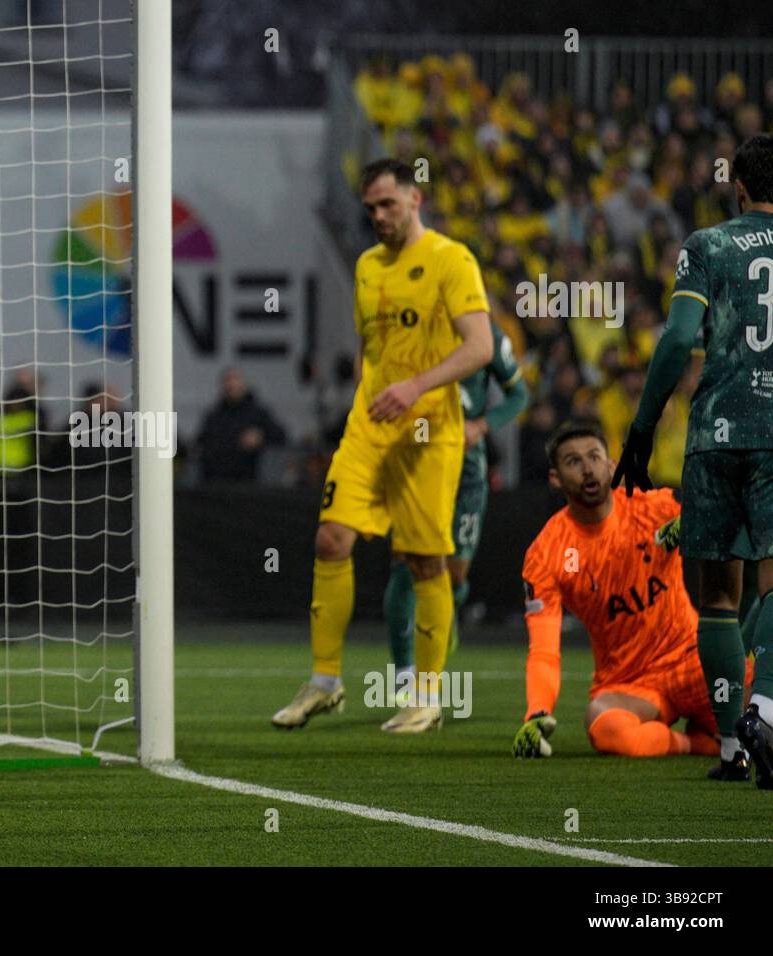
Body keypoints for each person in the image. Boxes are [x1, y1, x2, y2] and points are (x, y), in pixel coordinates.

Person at [271, 157, 493, 734]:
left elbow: (481, 347)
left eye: (387, 204)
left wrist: (416, 386)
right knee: (330, 538)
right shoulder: (367, 265)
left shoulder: (451, 259)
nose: (378, 216)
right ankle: (324, 682)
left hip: (428, 430)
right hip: (370, 426)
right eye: (370, 208)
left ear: (416, 199)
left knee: (425, 560)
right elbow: (374, 350)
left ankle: (426, 695)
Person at [615, 133, 773, 787]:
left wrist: (642, 432)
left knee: (716, 596)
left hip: (713, 434)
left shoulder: (706, 245)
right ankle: (763, 713)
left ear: (737, 187)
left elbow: (680, 337)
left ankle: (732, 751)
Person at [515, 422, 755, 763]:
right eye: (573, 461)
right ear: (555, 478)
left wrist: (694, 524)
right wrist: (536, 714)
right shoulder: (546, 553)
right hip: (631, 681)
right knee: (605, 727)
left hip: (695, 660)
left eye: (594, 457)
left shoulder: (655, 507)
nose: (587, 469)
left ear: (612, 465)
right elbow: (544, 651)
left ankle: (708, 727)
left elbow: (727, 511)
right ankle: (700, 744)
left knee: (764, 707)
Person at [383, 317, 528, 695]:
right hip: (417, 454)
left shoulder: (487, 334)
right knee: (405, 561)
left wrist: (481, 425)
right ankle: (403, 674)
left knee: (455, 574)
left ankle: (446, 622)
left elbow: (519, 395)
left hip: (465, 463)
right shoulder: (411, 322)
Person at [196, 368, 286, 482]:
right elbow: (201, 443)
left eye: (236, 380)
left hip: (247, 480)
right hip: (217, 481)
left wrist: (260, 438)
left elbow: (281, 436)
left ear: (243, 384)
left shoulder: (257, 413)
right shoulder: (214, 416)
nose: (232, 385)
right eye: (228, 382)